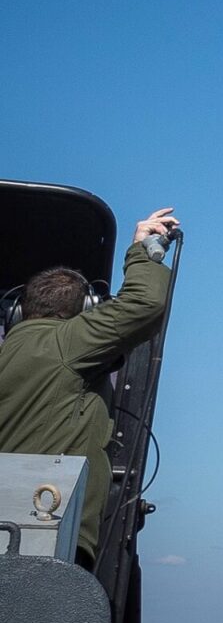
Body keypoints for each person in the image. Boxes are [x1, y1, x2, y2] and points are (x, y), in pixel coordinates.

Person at [0, 208, 178, 569]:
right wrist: (143, 250)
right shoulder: (64, 343)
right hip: (48, 534)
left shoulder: (12, 351)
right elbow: (145, 304)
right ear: (86, 309)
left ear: (19, 311)